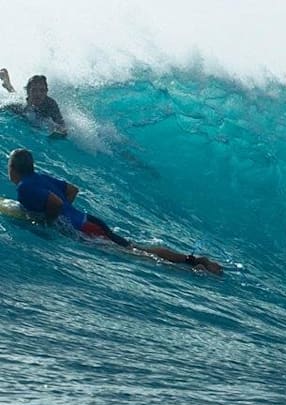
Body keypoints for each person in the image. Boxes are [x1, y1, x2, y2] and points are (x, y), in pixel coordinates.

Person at [8, 148, 222, 274]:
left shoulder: (24, 187)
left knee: (138, 255)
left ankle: (194, 264)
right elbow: (72, 190)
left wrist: (50, 220)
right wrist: (68, 212)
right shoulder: (40, 178)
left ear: (12, 169)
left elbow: (54, 202)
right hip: (90, 221)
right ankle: (193, 261)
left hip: (87, 231)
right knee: (136, 248)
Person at [1, 69, 67, 137]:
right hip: (26, 105)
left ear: (46, 91)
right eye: (34, 90)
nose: (38, 94)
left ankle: (7, 85)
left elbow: (61, 125)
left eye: (42, 90)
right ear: (28, 91)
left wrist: (59, 132)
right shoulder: (21, 105)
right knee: (16, 98)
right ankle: (8, 85)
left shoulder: (51, 104)